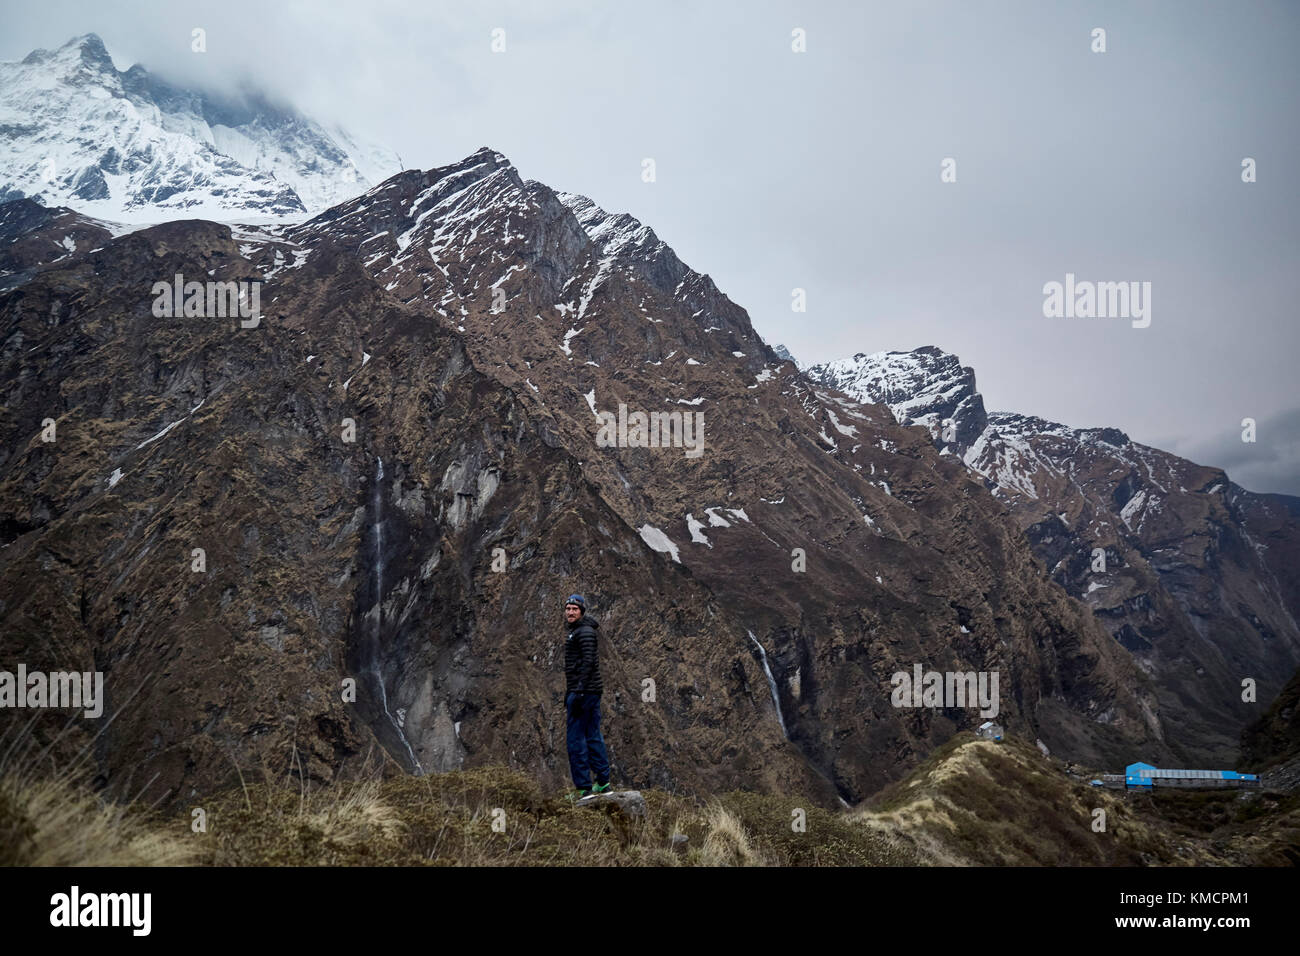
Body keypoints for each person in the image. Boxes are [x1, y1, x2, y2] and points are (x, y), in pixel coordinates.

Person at [563, 594, 611, 799]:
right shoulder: (583, 631)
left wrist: (579, 690)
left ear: (582, 611)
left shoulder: (583, 632)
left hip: (583, 692)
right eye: (568, 609)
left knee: (576, 739)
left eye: (574, 609)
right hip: (591, 691)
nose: (570, 612)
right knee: (593, 735)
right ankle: (603, 782)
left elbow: (589, 661)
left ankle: (584, 788)